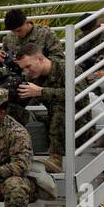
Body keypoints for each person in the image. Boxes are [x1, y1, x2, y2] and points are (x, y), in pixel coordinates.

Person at [13, 43, 68, 172]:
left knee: (59, 107)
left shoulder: (66, 68)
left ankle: (56, 158)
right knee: (13, 110)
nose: (26, 71)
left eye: (28, 66)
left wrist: (41, 92)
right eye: (23, 68)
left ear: (40, 59)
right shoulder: (33, 76)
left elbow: (77, 94)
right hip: (54, 121)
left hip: (75, 120)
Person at [0, 8, 64, 63]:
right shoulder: (9, 37)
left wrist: (36, 62)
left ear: (27, 22)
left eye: (18, 30)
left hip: (39, 74)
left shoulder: (46, 34)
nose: (16, 34)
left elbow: (58, 58)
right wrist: (0, 57)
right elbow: (3, 56)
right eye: (13, 31)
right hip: (15, 75)